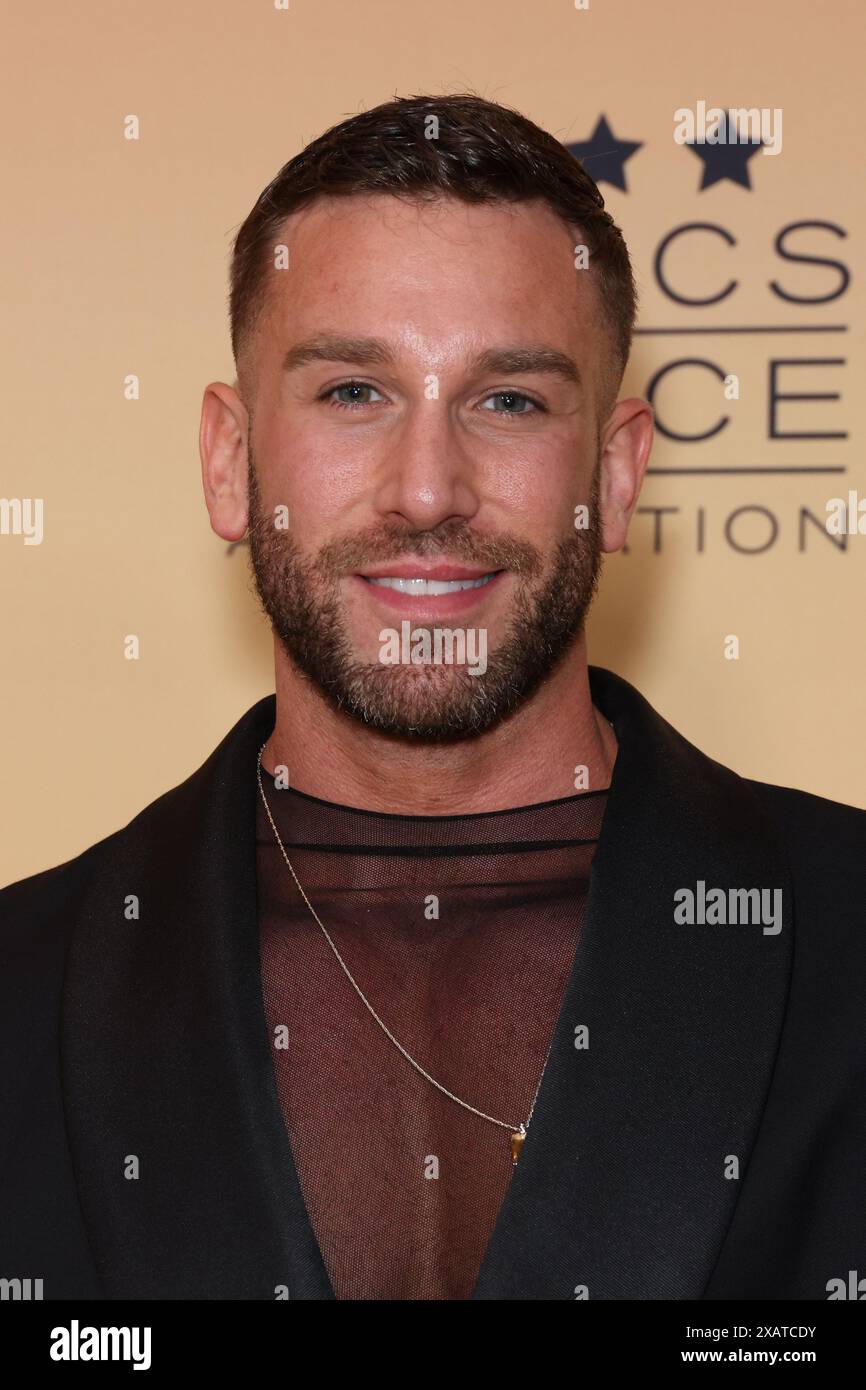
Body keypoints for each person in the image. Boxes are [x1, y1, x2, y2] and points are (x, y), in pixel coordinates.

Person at [1, 93, 864, 1303]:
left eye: (506, 399)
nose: (424, 490)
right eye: (353, 391)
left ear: (613, 477)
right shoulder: (26, 979)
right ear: (226, 461)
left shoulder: (841, 933)